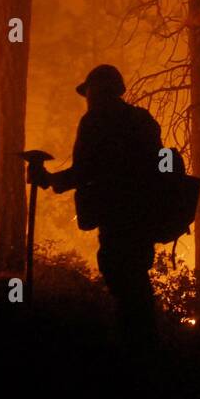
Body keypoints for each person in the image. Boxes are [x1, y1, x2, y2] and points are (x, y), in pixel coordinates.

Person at [30, 64, 163, 351]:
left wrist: (53, 180)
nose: (87, 98)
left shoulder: (94, 122)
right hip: (145, 216)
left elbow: (87, 170)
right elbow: (157, 164)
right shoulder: (143, 120)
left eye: (88, 92)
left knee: (121, 278)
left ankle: (132, 350)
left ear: (98, 91)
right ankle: (147, 349)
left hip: (116, 216)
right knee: (137, 278)